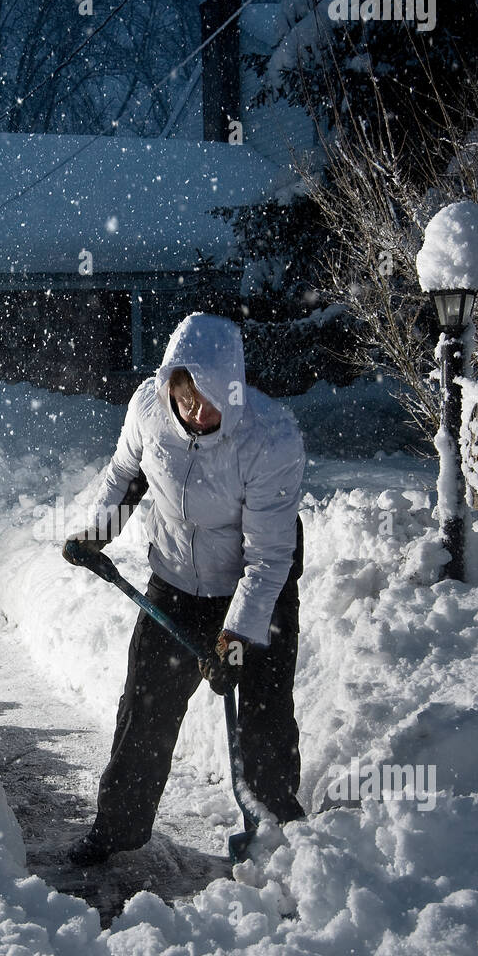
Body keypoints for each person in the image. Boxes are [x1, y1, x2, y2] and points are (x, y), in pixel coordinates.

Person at [62, 312, 306, 866]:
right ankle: (117, 829)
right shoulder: (148, 409)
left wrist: (236, 639)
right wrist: (96, 535)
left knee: (263, 718)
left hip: (258, 590)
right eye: (186, 397)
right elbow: (125, 473)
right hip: (175, 578)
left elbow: (268, 559)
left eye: (210, 399)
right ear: (169, 382)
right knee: (145, 706)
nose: (197, 412)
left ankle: (277, 841)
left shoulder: (270, 439)